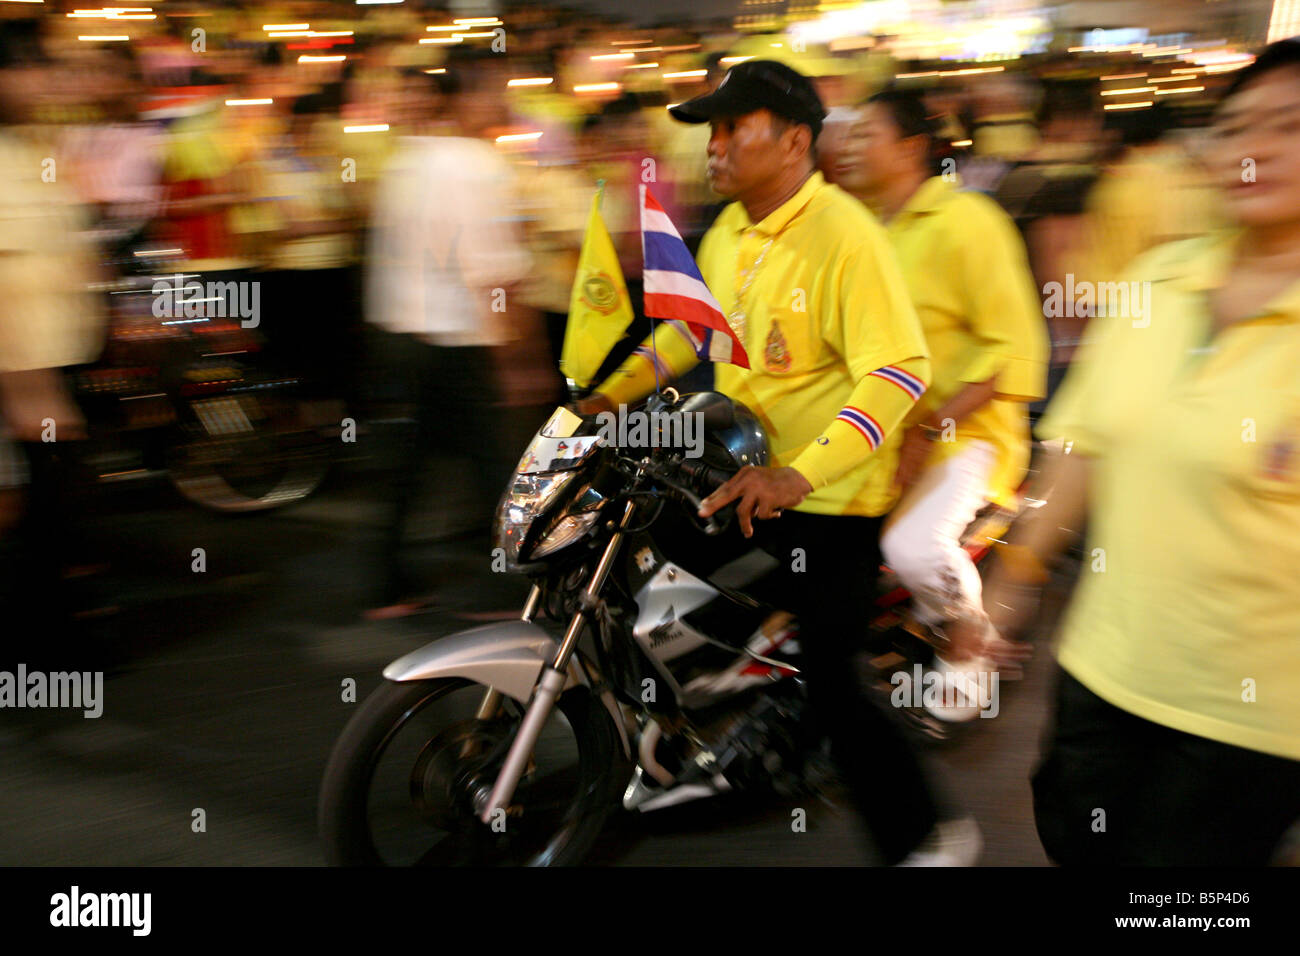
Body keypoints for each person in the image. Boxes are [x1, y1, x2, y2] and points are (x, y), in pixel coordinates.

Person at [577, 60, 978, 865]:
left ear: (795, 141)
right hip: (733, 469)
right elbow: (693, 333)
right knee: (620, 556)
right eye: (711, 133)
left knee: (836, 686)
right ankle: (682, 720)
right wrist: (607, 397)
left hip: (827, 505)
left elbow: (900, 370)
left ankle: (929, 838)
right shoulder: (728, 230)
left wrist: (801, 474)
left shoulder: (844, 235)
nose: (714, 148)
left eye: (732, 129)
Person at [981, 39, 1300, 865]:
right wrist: (1011, 583)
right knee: (1076, 844)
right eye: (1236, 127)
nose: (1255, 147)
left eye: (1289, 124)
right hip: (1102, 672)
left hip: (1249, 716)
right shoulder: (1160, 280)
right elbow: (1081, 451)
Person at [836, 90, 1048, 722]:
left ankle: (970, 647)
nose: (849, 147)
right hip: (880, 433)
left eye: (864, 134)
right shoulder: (865, 228)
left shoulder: (969, 221)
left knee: (914, 546)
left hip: (968, 437)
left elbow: (1015, 350)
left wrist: (930, 427)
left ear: (910, 147)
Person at [364, 51, 531, 618]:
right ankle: (507, 587)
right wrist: (514, 355)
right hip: (458, 339)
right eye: (495, 91)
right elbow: (489, 270)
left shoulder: (409, 159)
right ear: (466, 99)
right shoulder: (476, 164)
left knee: (415, 463)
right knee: (491, 464)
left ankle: (390, 584)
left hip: (405, 334)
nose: (504, 101)